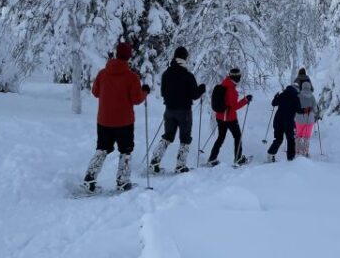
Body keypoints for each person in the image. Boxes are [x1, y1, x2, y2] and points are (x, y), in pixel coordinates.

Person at [82, 42, 150, 193]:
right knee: (126, 151)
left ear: (116, 54)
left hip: (104, 120)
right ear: (129, 57)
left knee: (102, 148)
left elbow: (95, 92)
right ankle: (122, 182)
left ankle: (90, 178)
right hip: (124, 122)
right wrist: (145, 92)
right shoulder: (132, 77)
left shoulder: (103, 73)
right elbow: (137, 99)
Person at [149, 46, 206, 174]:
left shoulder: (166, 74)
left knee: (167, 136)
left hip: (169, 110)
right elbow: (195, 95)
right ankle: (180, 165)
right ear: (185, 58)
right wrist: (201, 89)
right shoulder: (188, 75)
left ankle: (154, 161)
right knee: (185, 138)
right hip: (184, 111)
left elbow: (163, 92)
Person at [207, 67, 252, 166]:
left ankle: (212, 158)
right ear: (237, 77)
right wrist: (245, 100)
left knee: (221, 137)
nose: (240, 79)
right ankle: (238, 158)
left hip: (220, 117)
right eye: (239, 76)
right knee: (237, 136)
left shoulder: (225, 83)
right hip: (229, 118)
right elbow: (234, 107)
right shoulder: (231, 89)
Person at [266, 83, 302, 162]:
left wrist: (276, 96)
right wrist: (308, 109)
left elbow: (273, 103)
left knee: (278, 139)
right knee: (290, 139)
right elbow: (299, 110)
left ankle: (270, 155)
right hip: (288, 121)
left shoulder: (282, 94)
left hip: (278, 120)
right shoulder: (295, 97)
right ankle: (291, 159)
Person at [295, 81, 318, 157]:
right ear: (309, 87)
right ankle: (305, 152)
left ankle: (297, 151)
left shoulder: (298, 96)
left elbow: (295, 107)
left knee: (298, 135)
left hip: (299, 119)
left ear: (302, 87)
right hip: (309, 119)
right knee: (307, 136)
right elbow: (315, 109)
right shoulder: (312, 96)